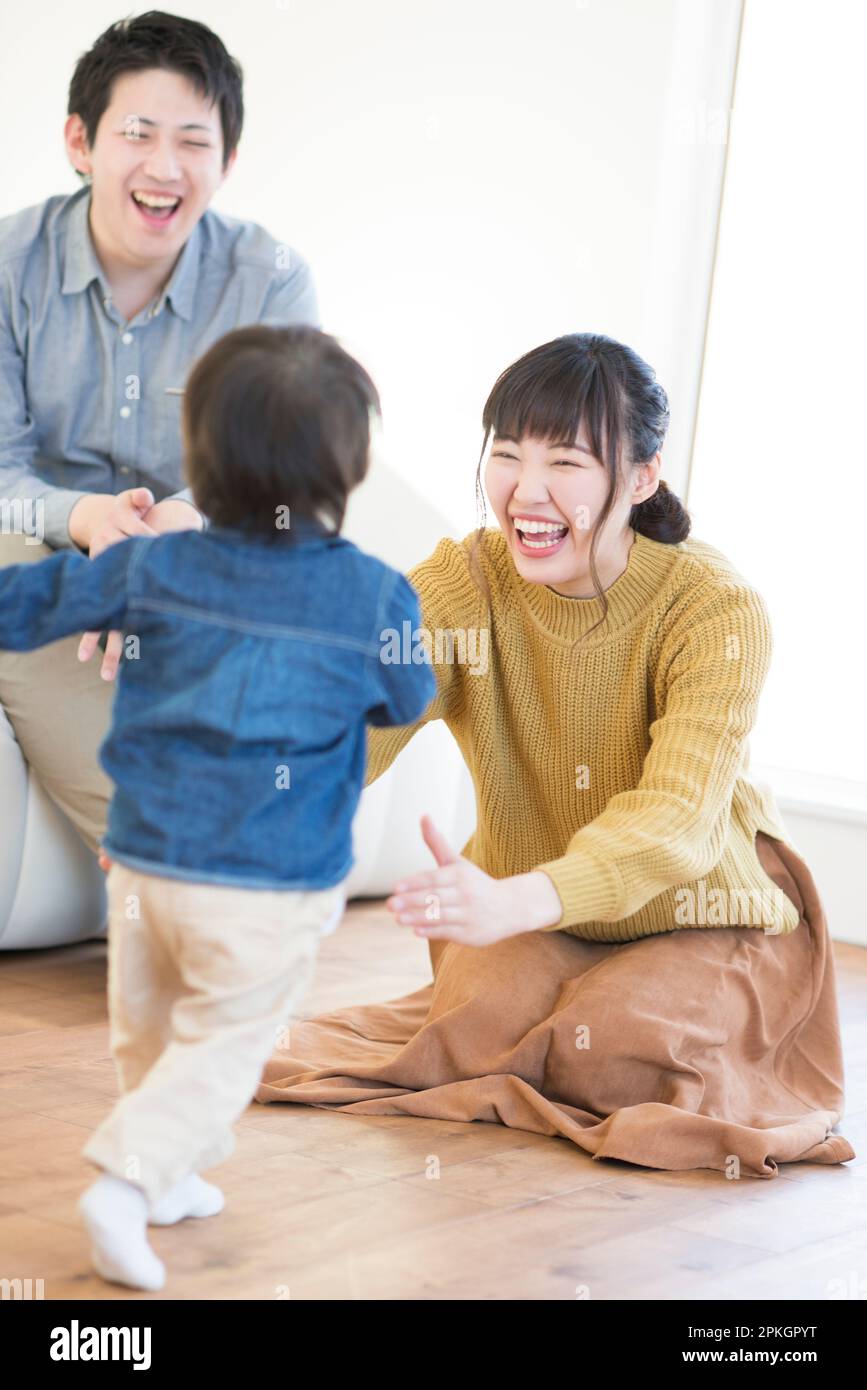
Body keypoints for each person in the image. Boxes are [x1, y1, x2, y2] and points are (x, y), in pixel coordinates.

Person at [254, 331, 856, 1179]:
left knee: (610, 1055)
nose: (525, 491)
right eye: (507, 453)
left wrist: (518, 901)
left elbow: (674, 820)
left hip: (694, 910)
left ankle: (607, 1012)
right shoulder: (467, 581)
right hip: (526, 903)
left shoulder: (715, 611)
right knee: (479, 1027)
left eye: (566, 462)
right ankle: (553, 1001)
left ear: (641, 476)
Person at [0, 322, 437, 1291]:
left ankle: (169, 1173)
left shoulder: (153, 564)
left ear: (201, 457)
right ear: (345, 468)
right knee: (227, 1040)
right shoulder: (375, 594)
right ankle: (125, 1179)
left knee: (150, 1025)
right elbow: (409, 700)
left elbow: (32, 604)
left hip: (145, 859)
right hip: (266, 884)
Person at [0, 12, 319, 895]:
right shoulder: (7, 267)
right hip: (47, 546)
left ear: (228, 161)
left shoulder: (271, 278)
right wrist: (90, 523)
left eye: (194, 141)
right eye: (137, 135)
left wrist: (177, 522)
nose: (165, 168)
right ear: (80, 141)